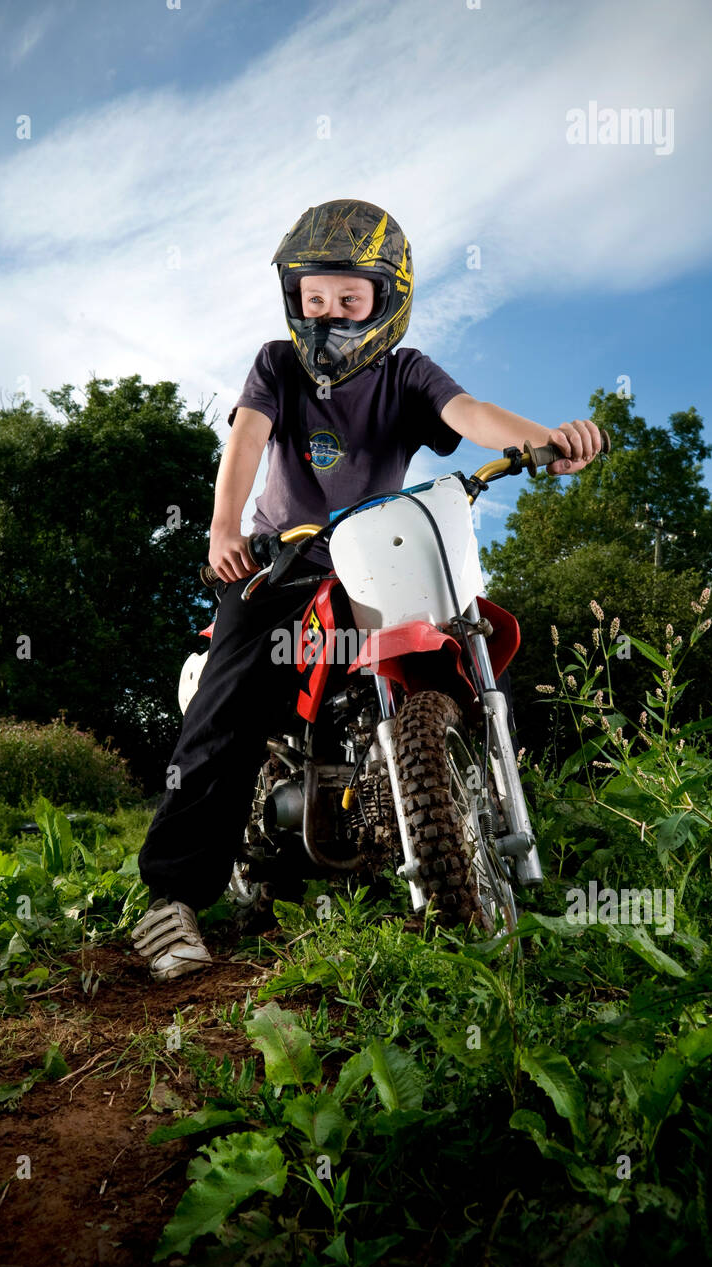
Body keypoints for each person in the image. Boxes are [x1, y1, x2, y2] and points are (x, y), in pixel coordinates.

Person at [133, 198, 604, 982]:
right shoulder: (277, 366)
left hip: (375, 555)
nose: (329, 316)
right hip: (279, 562)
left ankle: (480, 829)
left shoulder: (407, 374)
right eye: (313, 300)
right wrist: (223, 529)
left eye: (349, 300)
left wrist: (544, 441)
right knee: (230, 700)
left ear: (388, 299)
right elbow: (245, 438)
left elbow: (472, 413)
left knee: (472, 637)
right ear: (294, 300)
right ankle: (171, 898)